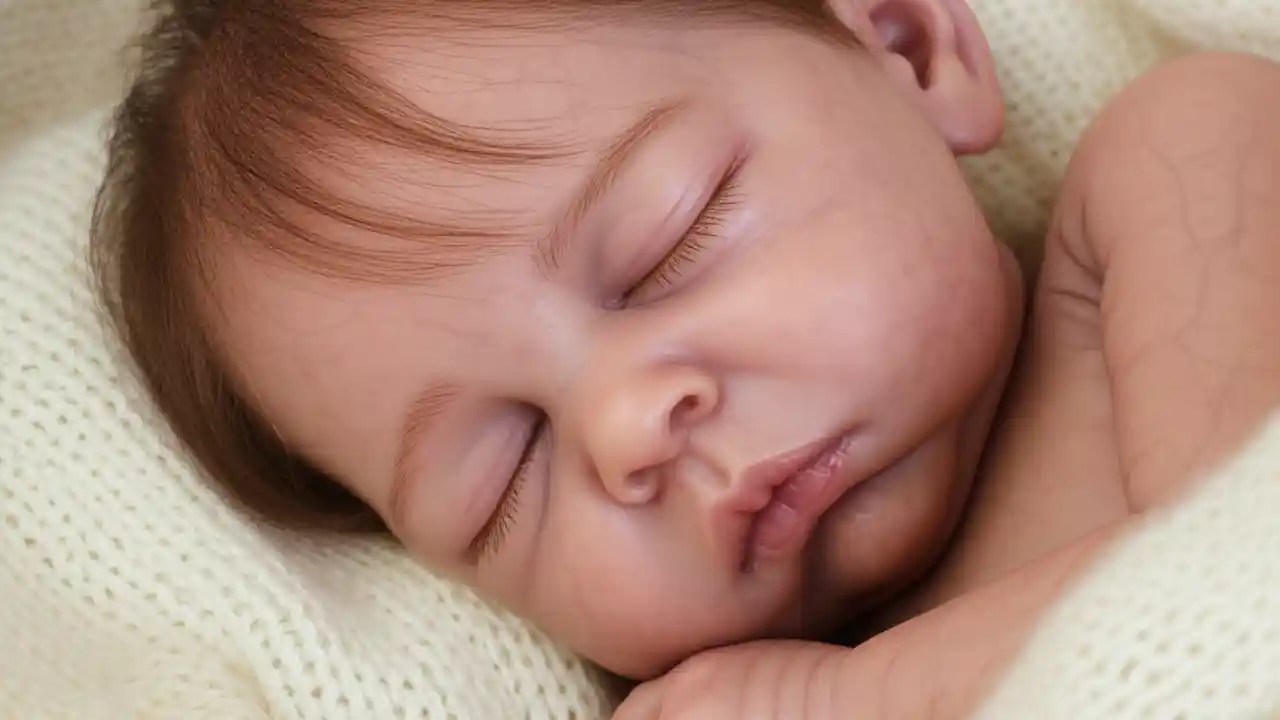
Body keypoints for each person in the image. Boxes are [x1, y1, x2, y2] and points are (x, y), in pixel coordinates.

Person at [91, 0, 1280, 715]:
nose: (626, 428)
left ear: (908, 47)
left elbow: (1247, 559)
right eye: (504, 480)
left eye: (669, 243)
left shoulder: (1179, 163)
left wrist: (851, 700)